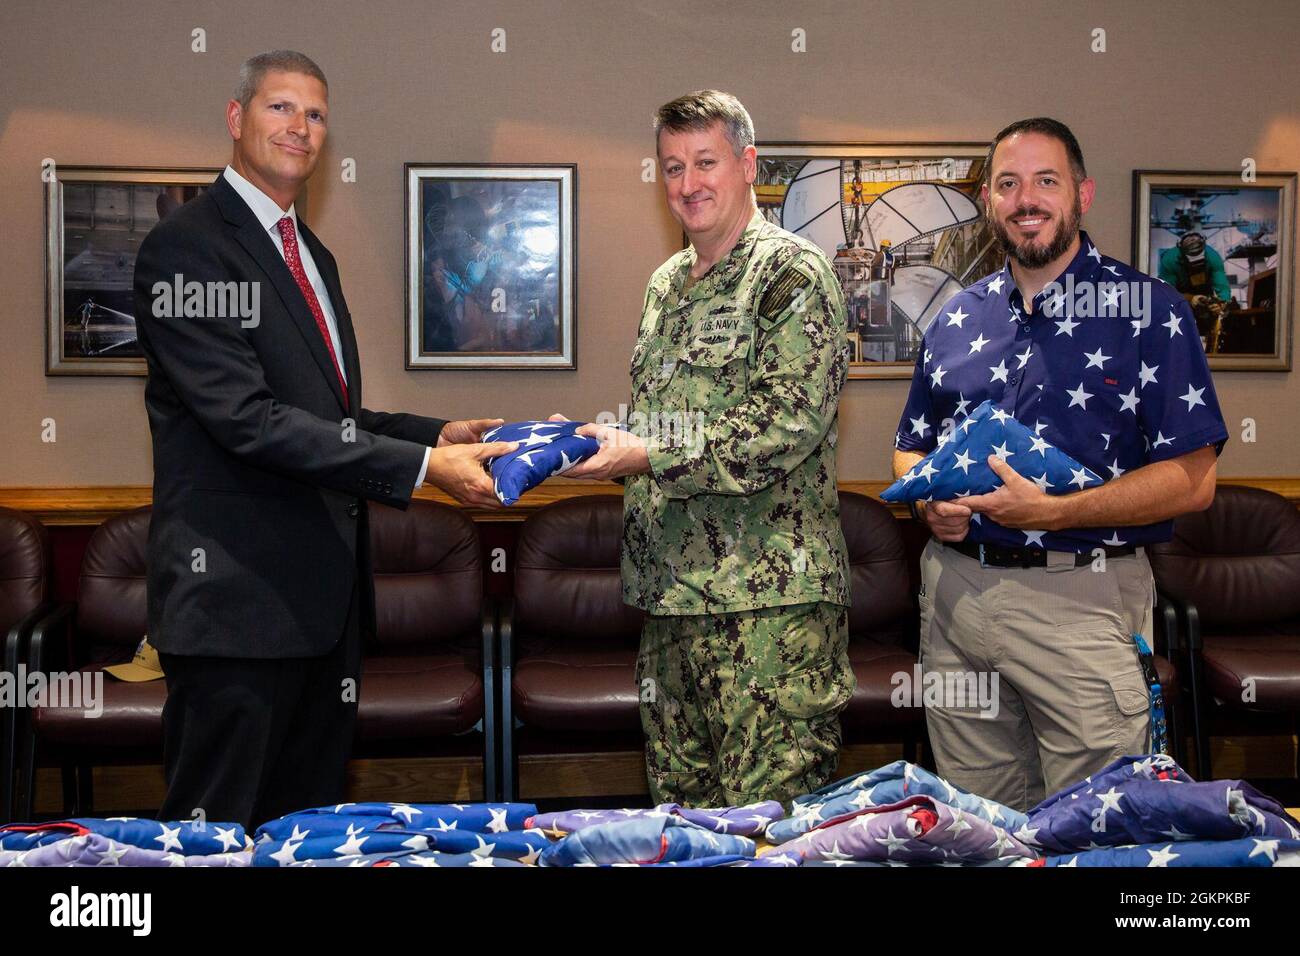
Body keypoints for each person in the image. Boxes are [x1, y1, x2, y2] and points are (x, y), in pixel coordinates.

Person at [133, 50, 516, 829]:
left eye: (314, 115)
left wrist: (436, 433)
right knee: (219, 838)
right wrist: (422, 469)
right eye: (280, 108)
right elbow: (249, 421)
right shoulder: (187, 248)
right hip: (237, 614)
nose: (300, 128)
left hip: (322, 617)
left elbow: (331, 414)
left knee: (308, 835)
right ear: (236, 120)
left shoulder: (312, 255)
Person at [891, 117, 1228, 811]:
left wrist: (1058, 513)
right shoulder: (956, 318)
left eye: (1047, 181)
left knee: (1094, 825)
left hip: (1082, 602)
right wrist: (931, 505)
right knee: (978, 828)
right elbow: (913, 444)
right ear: (989, 199)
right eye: (1009, 184)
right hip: (957, 602)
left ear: (1083, 193)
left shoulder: (1150, 312)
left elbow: (1195, 481)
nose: (1027, 199)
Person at [562, 90, 855, 807]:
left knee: (768, 833)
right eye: (670, 167)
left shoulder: (791, 274)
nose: (687, 184)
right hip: (671, 605)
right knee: (681, 831)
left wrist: (645, 453)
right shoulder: (666, 284)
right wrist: (597, 443)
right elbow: (667, 424)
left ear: (747, 164)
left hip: (768, 615)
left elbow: (787, 422)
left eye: (705, 162)